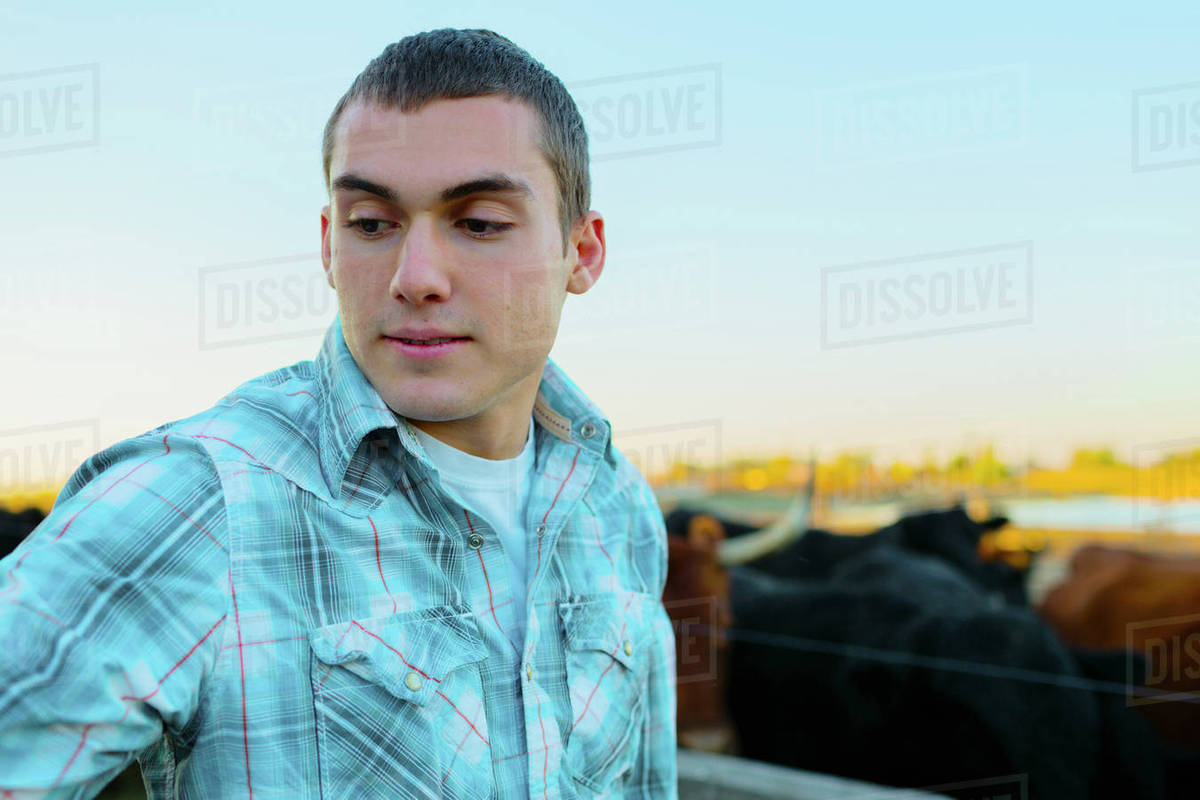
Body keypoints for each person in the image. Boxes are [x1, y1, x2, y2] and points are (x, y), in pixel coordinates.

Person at [0, 28, 678, 799]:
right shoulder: (198, 504)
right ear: (329, 245)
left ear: (581, 253)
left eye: (480, 222)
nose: (414, 276)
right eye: (372, 224)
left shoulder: (618, 506)